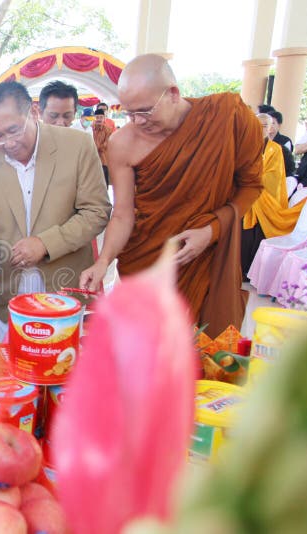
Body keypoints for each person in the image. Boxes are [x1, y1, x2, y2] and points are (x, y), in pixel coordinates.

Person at [79, 54, 263, 336]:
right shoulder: (122, 143)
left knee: (202, 359)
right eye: (128, 113)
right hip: (147, 261)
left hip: (206, 262)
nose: (136, 121)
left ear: (173, 94)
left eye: (144, 111)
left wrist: (211, 230)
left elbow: (251, 186)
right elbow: (123, 213)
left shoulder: (229, 117)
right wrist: (104, 260)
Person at [0, 81, 111, 342]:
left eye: (13, 130)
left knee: (60, 373)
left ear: (33, 113)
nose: (7, 142)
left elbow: (96, 211)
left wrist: (45, 243)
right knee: (8, 377)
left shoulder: (77, 146)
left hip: (63, 290)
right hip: (7, 295)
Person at [241, 113, 307, 276]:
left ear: (270, 128)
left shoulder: (275, 149)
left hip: (263, 199)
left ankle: (248, 272)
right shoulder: (244, 146)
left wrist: (250, 179)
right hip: (244, 195)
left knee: (253, 235)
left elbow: (274, 177)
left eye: (265, 125)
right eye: (257, 124)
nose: (260, 128)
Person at [258, 105, 295, 176]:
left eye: (273, 123)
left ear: (279, 125)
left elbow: (285, 164)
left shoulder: (284, 142)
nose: (269, 126)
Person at [91, 108, 114, 184]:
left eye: (101, 117)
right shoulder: (89, 129)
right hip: (90, 160)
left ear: (104, 118)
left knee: (104, 183)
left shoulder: (108, 130)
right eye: (97, 117)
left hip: (103, 160)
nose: (99, 119)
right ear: (94, 118)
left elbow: (106, 145)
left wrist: (95, 148)